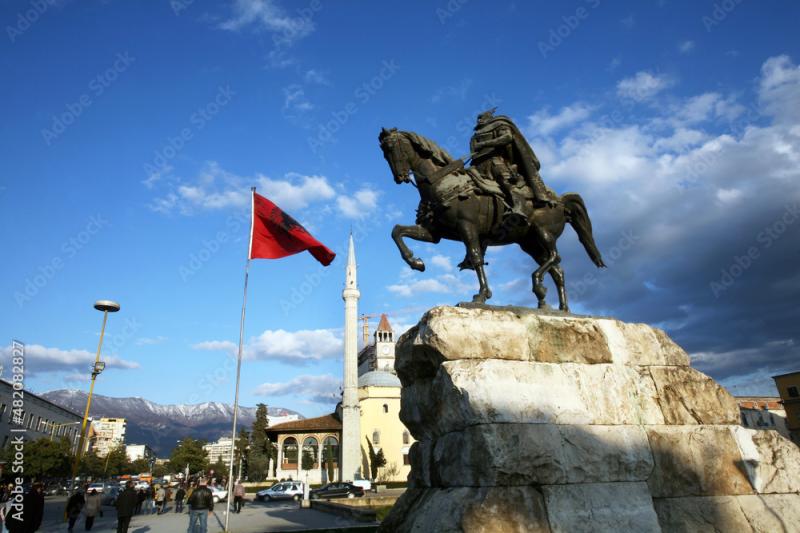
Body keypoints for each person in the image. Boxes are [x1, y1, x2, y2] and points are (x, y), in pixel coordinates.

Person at [469, 108, 556, 224]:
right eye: (478, 118)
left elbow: (507, 137)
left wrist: (484, 144)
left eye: (481, 117)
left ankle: (519, 207)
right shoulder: (475, 135)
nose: (479, 120)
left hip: (495, 161)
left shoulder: (499, 124)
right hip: (478, 165)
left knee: (505, 182)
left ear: (488, 117)